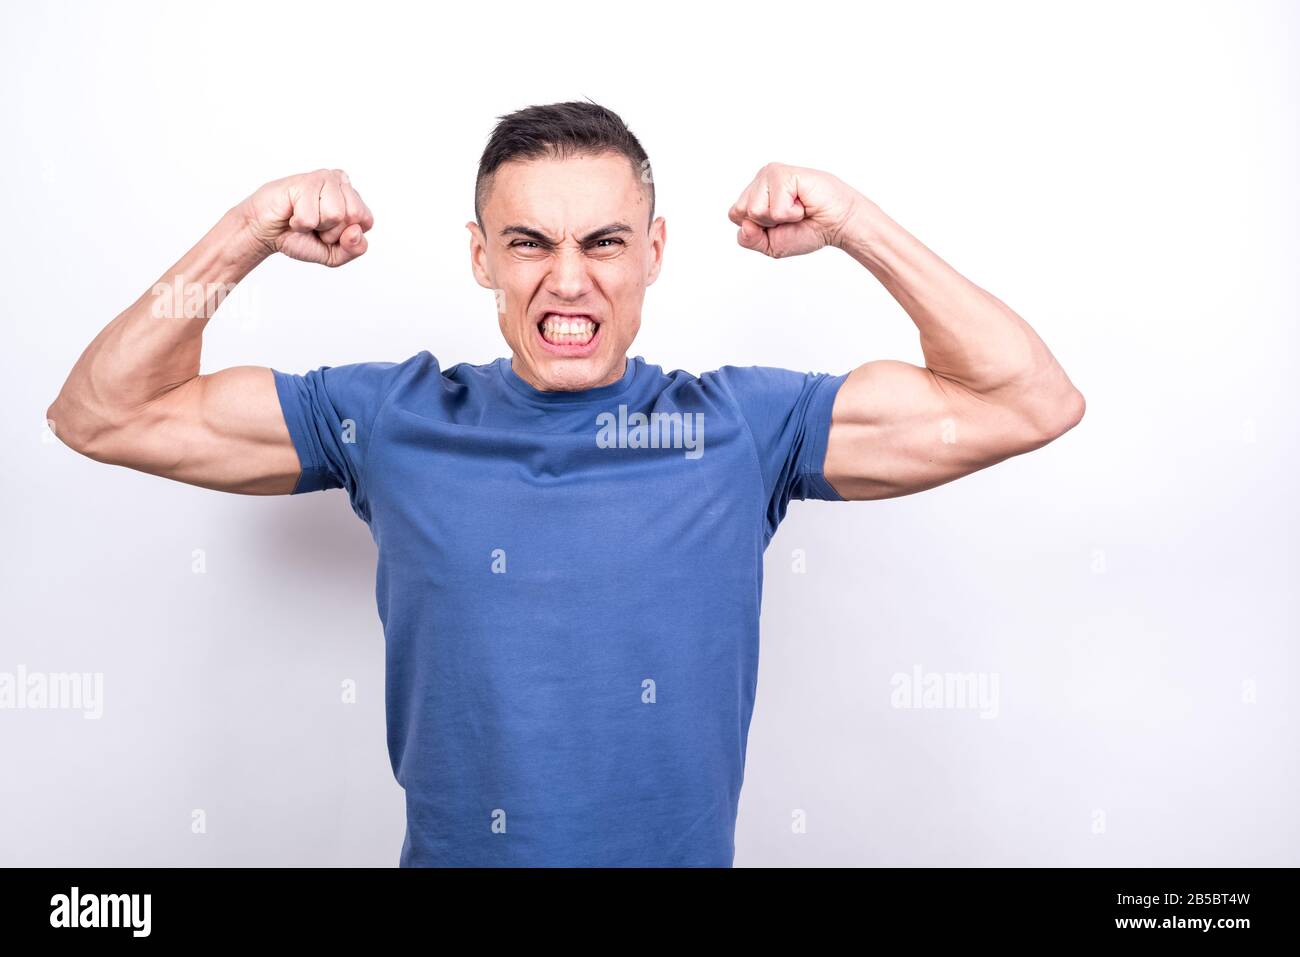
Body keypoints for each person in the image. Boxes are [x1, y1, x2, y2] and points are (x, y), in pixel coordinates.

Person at [47, 101, 1084, 866]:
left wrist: (857, 221)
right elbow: (102, 413)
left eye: (603, 242)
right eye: (529, 244)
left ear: (653, 253)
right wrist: (246, 232)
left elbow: (1027, 400)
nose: (570, 279)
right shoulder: (392, 419)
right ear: (480, 258)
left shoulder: (738, 430)